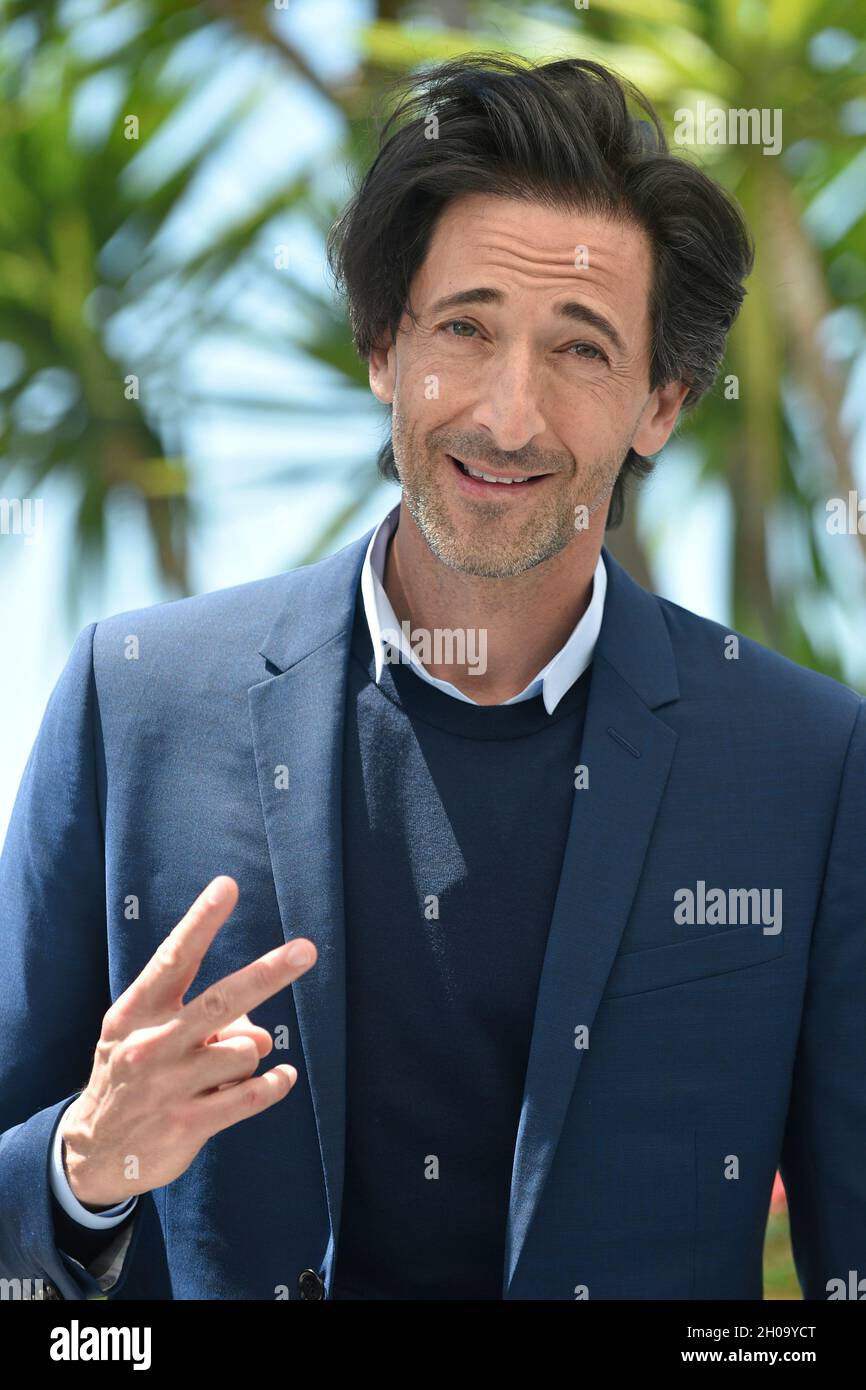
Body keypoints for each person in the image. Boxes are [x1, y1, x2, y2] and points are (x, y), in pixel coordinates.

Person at [1, 53, 863, 1302]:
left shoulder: (805, 764)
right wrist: (85, 1167)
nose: (507, 416)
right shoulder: (132, 700)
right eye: (463, 329)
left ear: (660, 405)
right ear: (379, 349)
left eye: (578, 350)